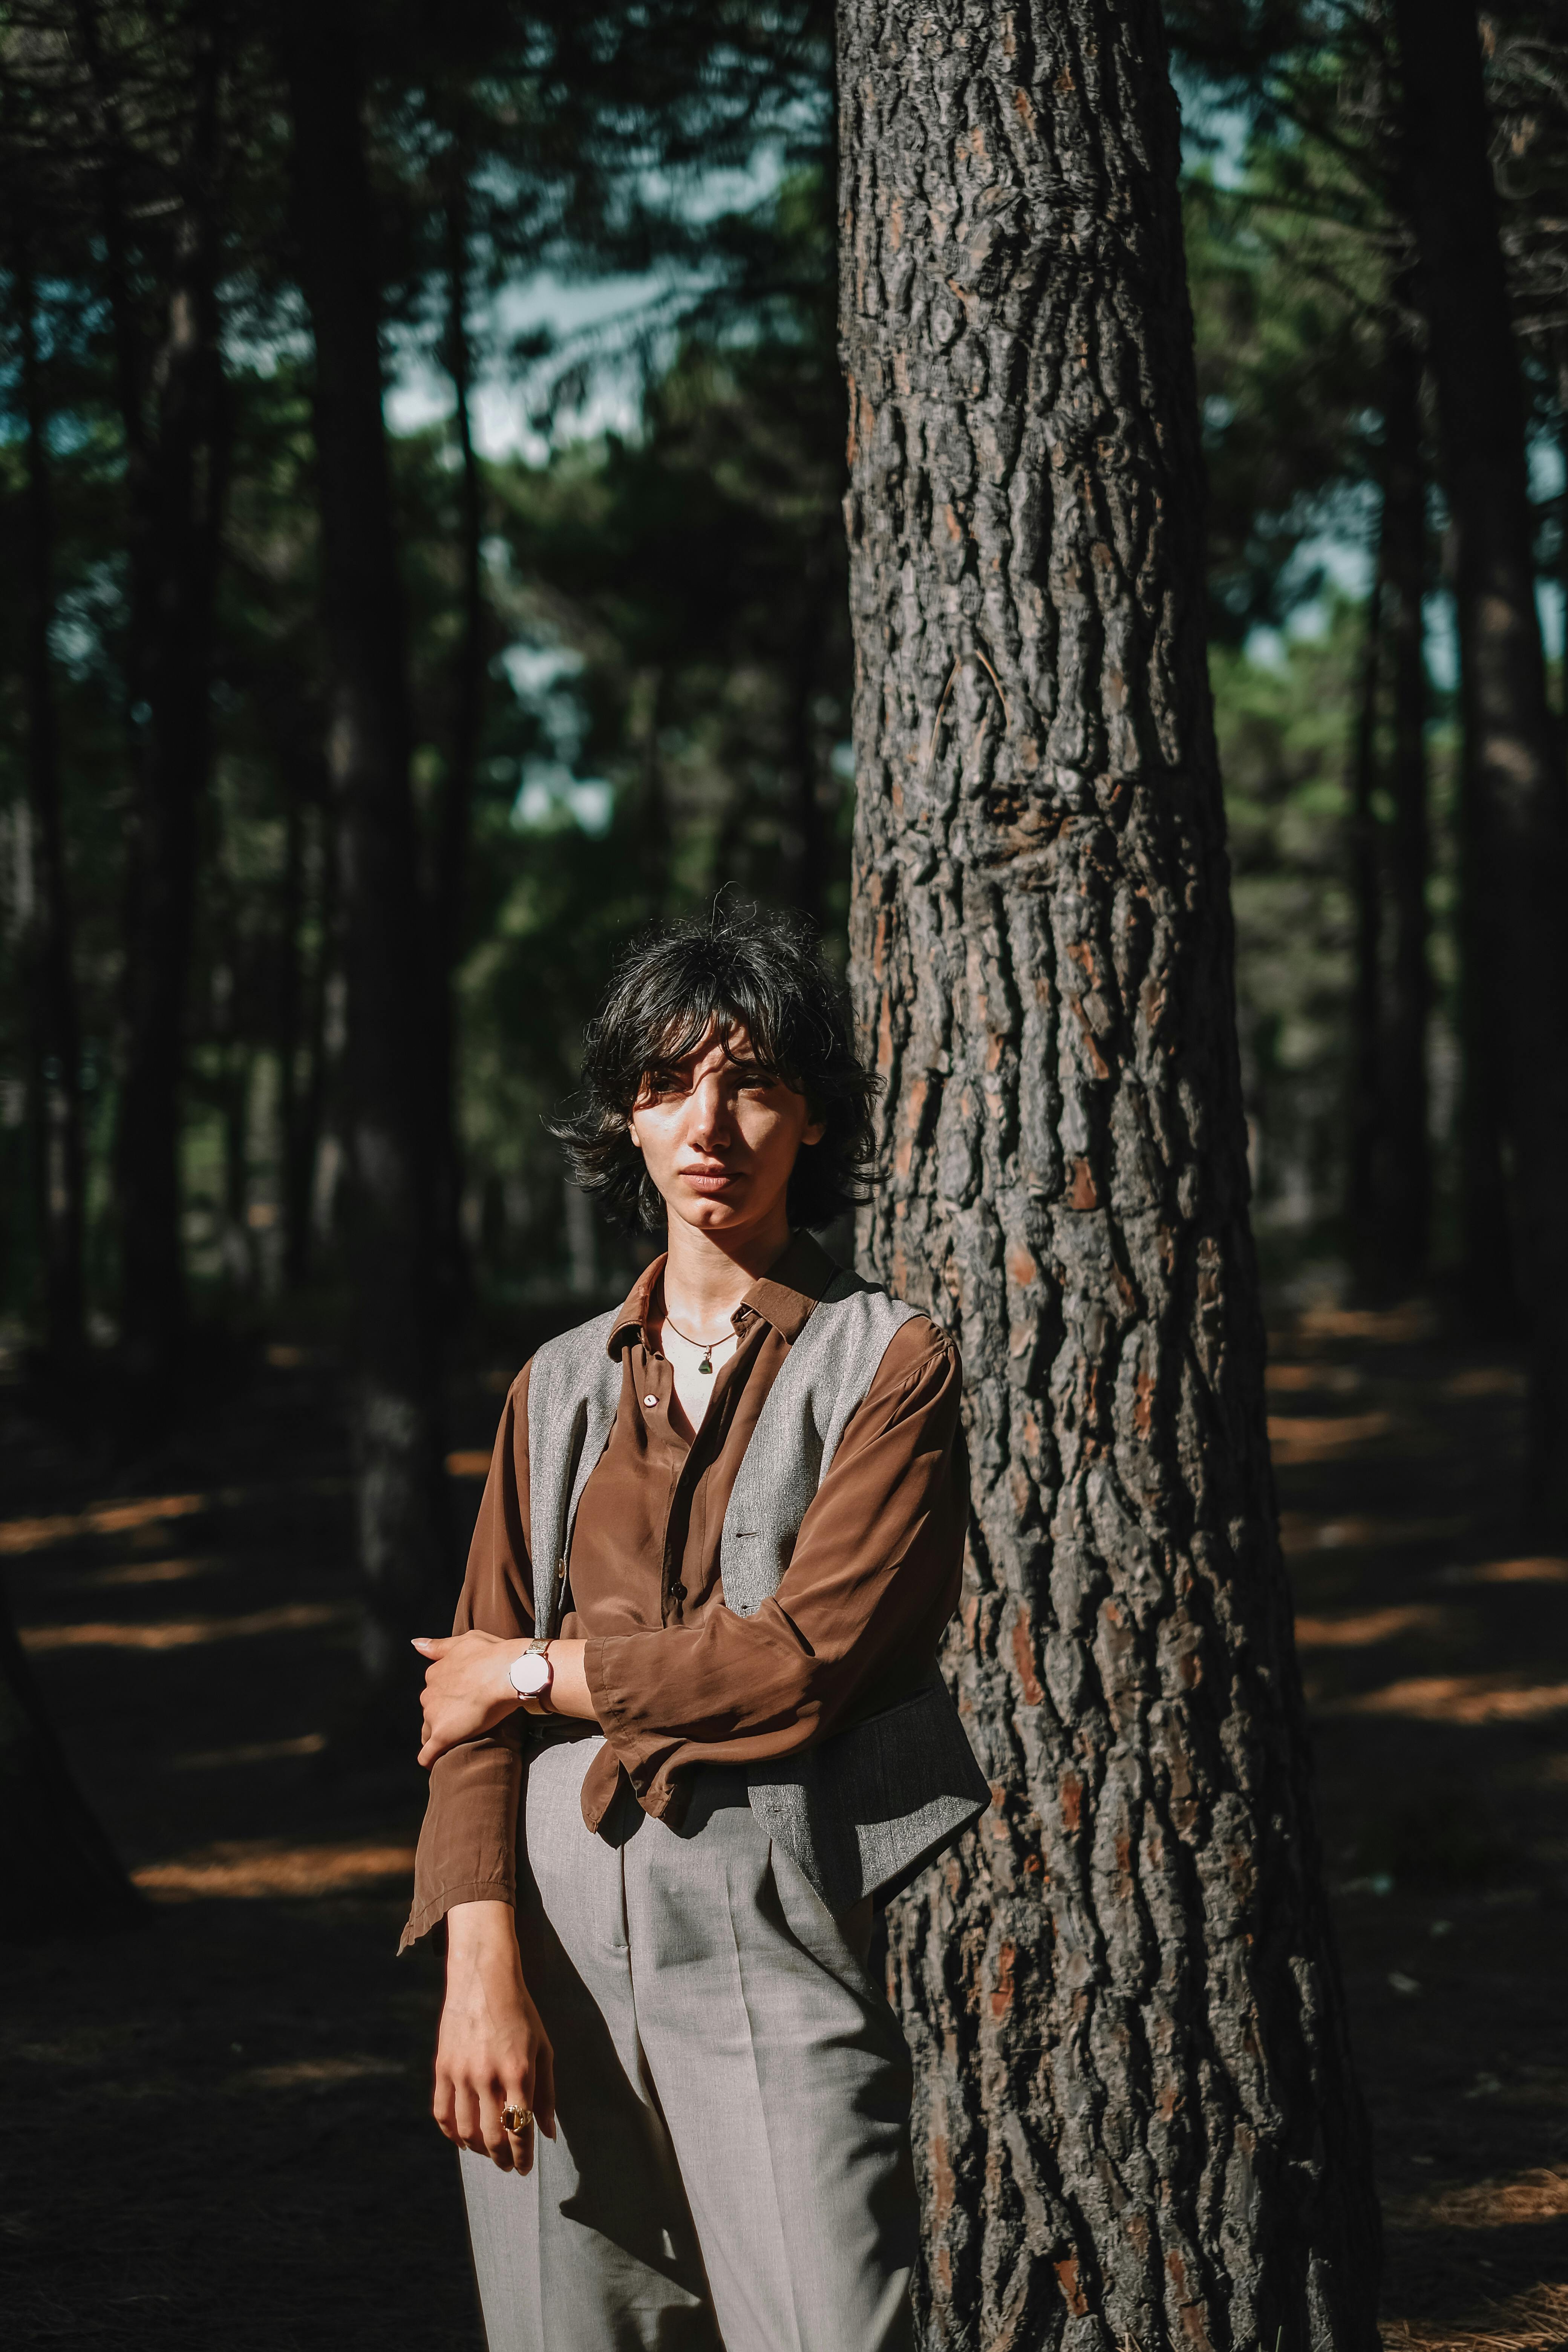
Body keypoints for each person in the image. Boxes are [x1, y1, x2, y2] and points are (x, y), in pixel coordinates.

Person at [403, 906, 988, 2352]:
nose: (707, 1124)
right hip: (542, 1924)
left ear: (811, 1118)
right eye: (669, 1086)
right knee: (570, 2330)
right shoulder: (552, 1386)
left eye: (751, 1084)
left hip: (766, 1904)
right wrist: (481, 1974)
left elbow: (796, 1662)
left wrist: (541, 1671)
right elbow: (461, 1719)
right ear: (629, 1120)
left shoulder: (889, 1362)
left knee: (833, 2323)